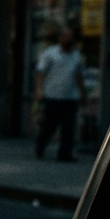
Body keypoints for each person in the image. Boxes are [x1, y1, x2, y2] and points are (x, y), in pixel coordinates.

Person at [34, 27, 87, 162]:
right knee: (49, 124)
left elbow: (78, 75)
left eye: (71, 37)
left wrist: (82, 92)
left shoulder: (76, 55)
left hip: (70, 96)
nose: (69, 39)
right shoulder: (51, 54)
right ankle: (41, 144)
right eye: (66, 37)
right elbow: (41, 72)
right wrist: (39, 89)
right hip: (53, 95)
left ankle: (65, 153)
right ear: (60, 38)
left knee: (68, 127)